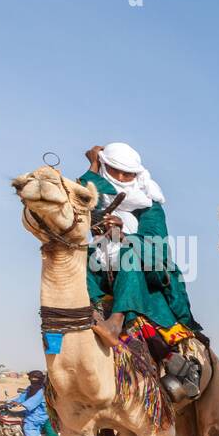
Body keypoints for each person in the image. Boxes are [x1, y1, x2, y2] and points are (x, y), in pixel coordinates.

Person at [80, 142, 205, 402]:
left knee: (128, 256)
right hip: (102, 273)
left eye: (129, 174)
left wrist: (122, 234)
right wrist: (92, 167)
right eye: (116, 172)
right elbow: (78, 198)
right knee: (77, 258)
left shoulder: (150, 206)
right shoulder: (97, 196)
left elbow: (157, 249)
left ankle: (116, 321)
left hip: (147, 275)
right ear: (104, 167)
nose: (124, 178)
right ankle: (89, 312)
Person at [11, 370, 52, 436]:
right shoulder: (30, 388)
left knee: (29, 426)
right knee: (10, 416)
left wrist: (21, 404)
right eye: (32, 378)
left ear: (40, 379)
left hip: (40, 413)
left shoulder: (42, 390)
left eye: (35, 378)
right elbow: (21, 397)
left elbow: (34, 401)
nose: (33, 380)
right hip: (31, 411)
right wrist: (10, 402)